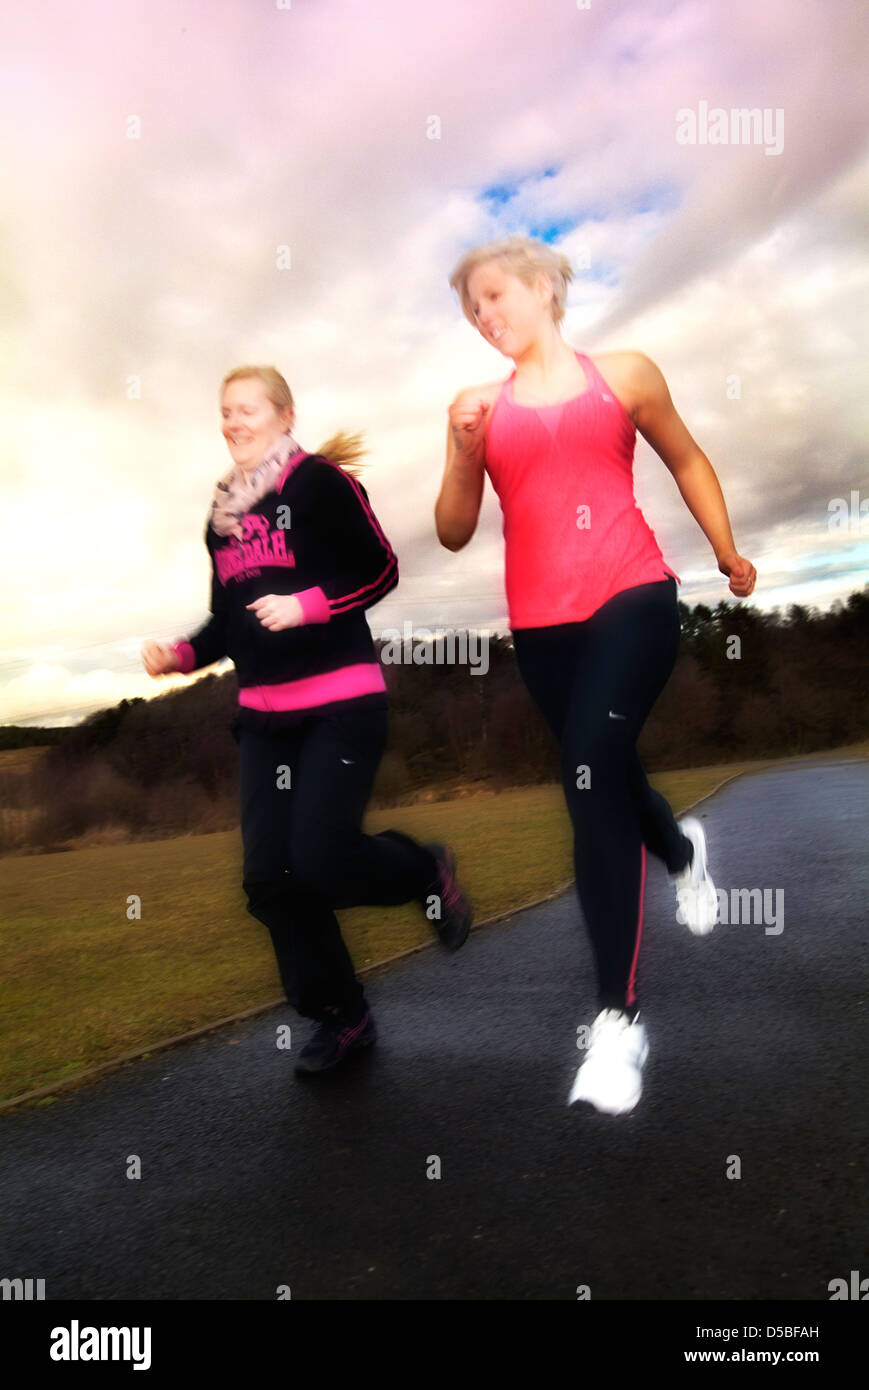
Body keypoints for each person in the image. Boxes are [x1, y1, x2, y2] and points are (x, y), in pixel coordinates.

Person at [436, 237, 756, 1115]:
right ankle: (683, 850)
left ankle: (618, 1021)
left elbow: (686, 458)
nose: (485, 316)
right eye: (472, 310)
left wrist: (726, 550)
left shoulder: (626, 373)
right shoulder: (473, 408)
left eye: (494, 296)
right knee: (604, 771)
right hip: (542, 629)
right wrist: (461, 451)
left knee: (585, 779)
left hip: (633, 597)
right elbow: (454, 531)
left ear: (544, 288)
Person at [142, 365, 472, 1075]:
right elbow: (227, 622)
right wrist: (181, 653)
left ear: (284, 416)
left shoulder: (319, 482)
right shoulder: (221, 519)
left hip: (340, 706)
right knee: (270, 880)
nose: (233, 422)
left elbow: (380, 569)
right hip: (265, 723)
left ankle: (423, 871)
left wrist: (311, 604)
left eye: (248, 409)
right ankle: (341, 1016)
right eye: (224, 411)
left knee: (321, 858)